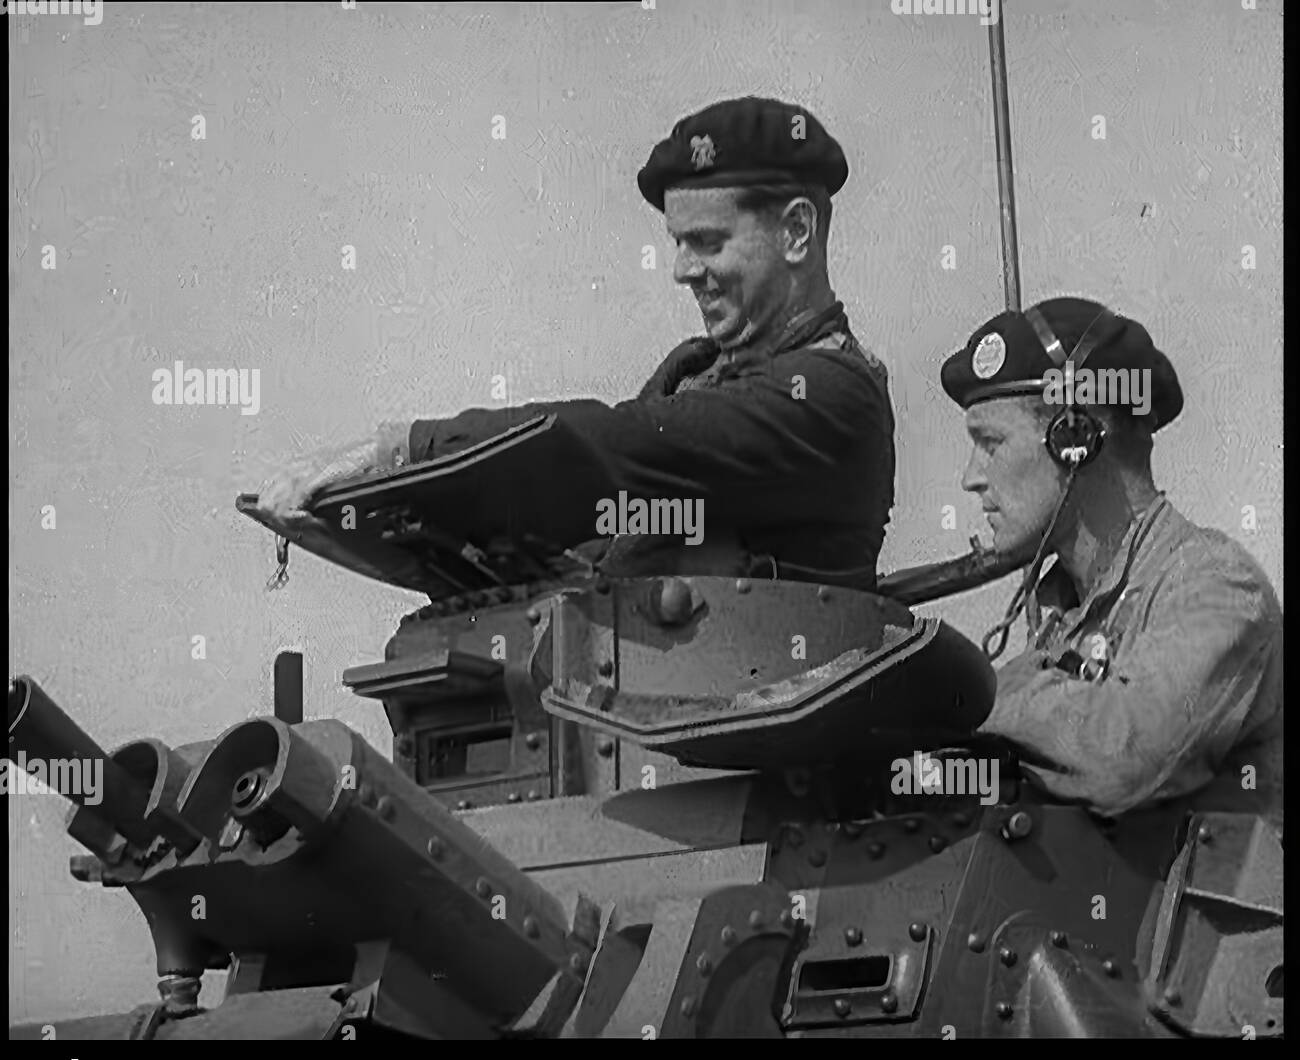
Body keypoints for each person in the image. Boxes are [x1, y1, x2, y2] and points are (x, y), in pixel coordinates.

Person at [255, 96, 895, 586]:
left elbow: (617, 449)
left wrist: (397, 454)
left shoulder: (829, 396)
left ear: (796, 233)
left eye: (707, 242)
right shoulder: (697, 373)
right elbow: (610, 519)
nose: (682, 270)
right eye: (677, 243)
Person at [941, 296, 1282, 821]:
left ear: (1072, 439)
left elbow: (1127, 755)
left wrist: (980, 703)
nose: (971, 477)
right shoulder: (1061, 621)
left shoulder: (1216, 586)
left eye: (991, 443)